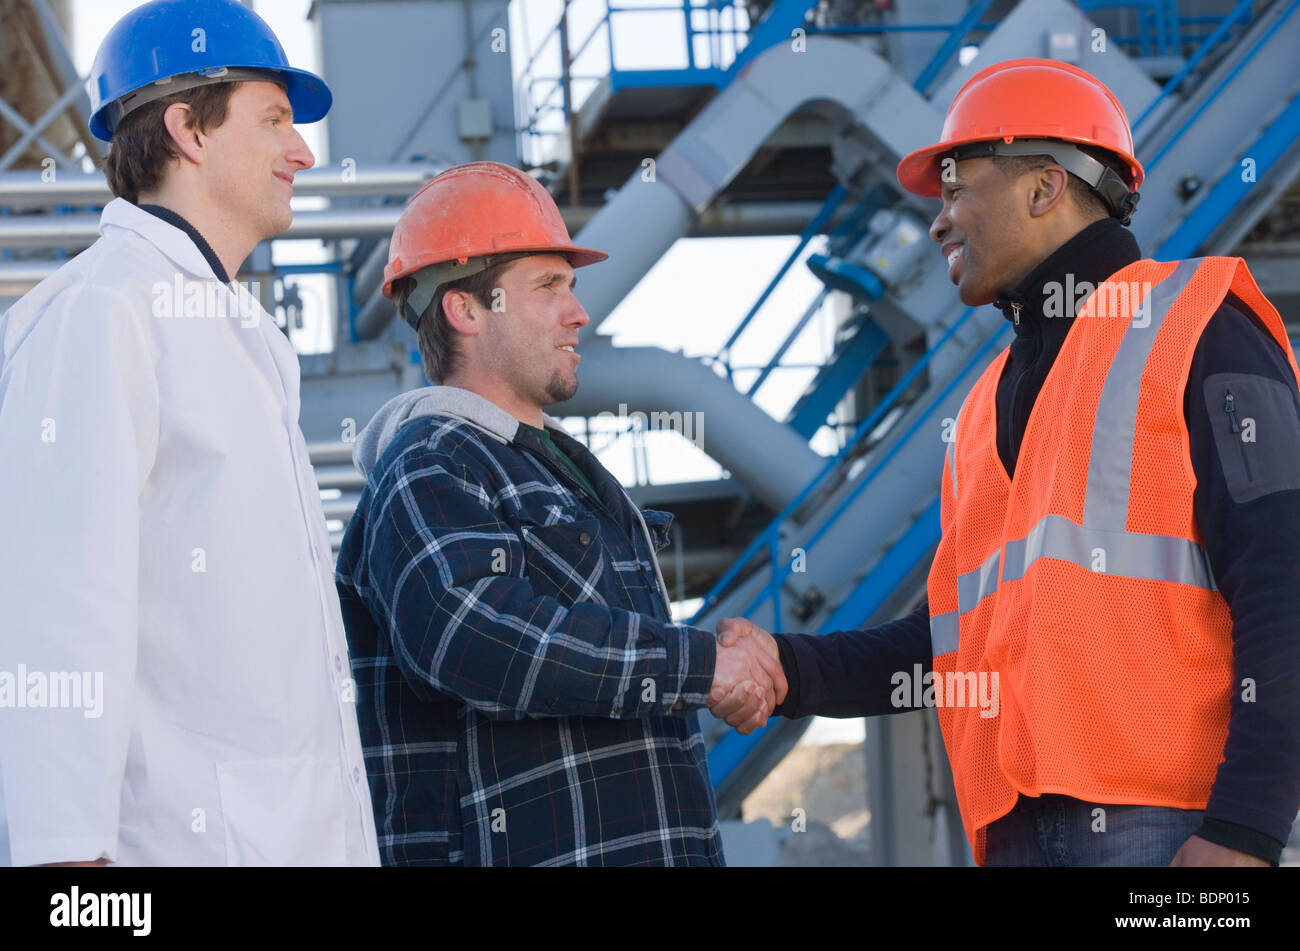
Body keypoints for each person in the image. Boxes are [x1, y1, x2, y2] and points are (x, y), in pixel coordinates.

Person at [719, 58, 1300, 867]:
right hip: (1018, 831)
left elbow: (1285, 578)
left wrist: (1244, 832)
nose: (938, 220)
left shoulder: (1199, 323)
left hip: (1176, 827)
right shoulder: (988, 399)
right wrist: (788, 669)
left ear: (1044, 188)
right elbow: (949, 649)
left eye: (957, 189)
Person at [0, 0, 378, 866]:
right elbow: (59, 605)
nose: (303, 152)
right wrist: (69, 866)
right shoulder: (100, 310)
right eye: (275, 119)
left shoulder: (242, 338)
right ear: (188, 131)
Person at [336, 160, 785, 866]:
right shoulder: (429, 462)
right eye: (548, 287)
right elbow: (468, 632)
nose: (579, 312)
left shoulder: (562, 473)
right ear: (466, 309)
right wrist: (698, 667)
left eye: (571, 288)